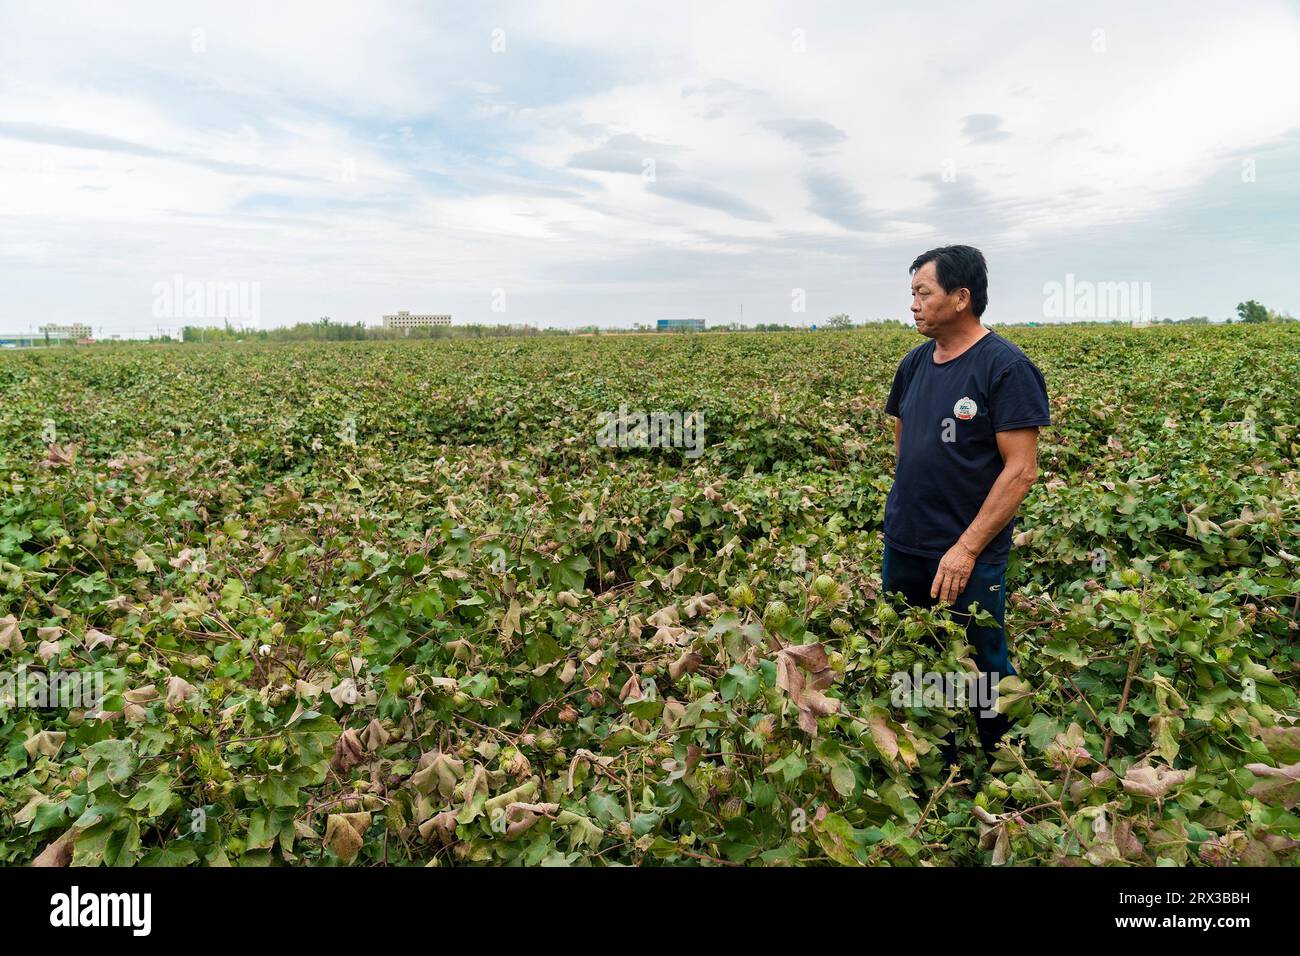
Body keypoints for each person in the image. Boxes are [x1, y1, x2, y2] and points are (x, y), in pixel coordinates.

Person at [882, 245, 1051, 764]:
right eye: (912, 293)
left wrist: (965, 548)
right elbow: (904, 441)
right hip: (907, 543)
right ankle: (939, 758)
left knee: (983, 662)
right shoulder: (914, 364)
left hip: (967, 552)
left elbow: (1021, 469)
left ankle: (1009, 766)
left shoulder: (1005, 367)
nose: (913, 303)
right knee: (913, 654)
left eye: (923, 292)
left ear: (961, 298)